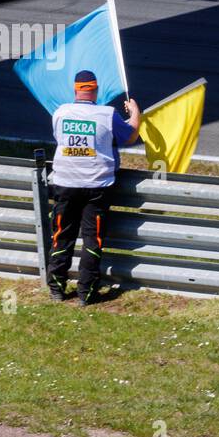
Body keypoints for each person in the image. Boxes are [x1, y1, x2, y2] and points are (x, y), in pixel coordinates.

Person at [47, 70, 140, 305]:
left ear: (75, 89)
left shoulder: (60, 113)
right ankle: (86, 294)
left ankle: (56, 289)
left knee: (62, 236)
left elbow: (60, 139)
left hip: (65, 184)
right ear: (96, 90)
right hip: (97, 186)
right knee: (93, 239)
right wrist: (135, 113)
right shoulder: (108, 114)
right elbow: (130, 136)